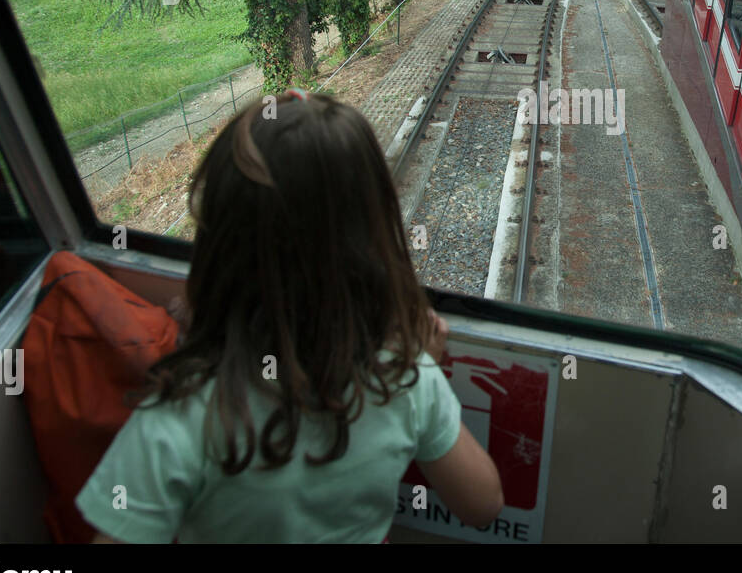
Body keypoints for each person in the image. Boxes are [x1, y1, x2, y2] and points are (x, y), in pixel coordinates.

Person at [76, 89, 503, 542]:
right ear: (375, 242)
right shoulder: (403, 379)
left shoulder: (180, 417)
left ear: (215, 254)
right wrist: (423, 370)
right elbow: (483, 504)